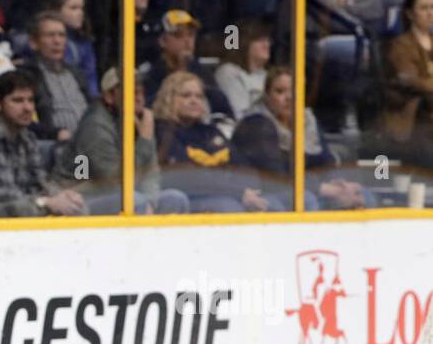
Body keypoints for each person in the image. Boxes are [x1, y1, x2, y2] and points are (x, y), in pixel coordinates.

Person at [232, 66, 368, 211]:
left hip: (308, 186)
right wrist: (329, 190)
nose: (289, 97)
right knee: (305, 200)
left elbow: (326, 162)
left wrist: (340, 185)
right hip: (265, 191)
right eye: (280, 91)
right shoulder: (256, 123)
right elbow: (277, 177)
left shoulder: (307, 121)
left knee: (364, 195)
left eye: (294, 90)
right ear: (267, 96)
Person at [0, 68, 86, 216]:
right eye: (18, 100)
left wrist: (62, 196)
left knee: (78, 207)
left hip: (22, 221)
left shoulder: (27, 138)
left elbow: (40, 182)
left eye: (31, 100)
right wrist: (46, 203)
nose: (28, 108)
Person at [60, 65, 188, 214]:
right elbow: (113, 178)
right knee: (134, 201)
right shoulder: (95, 124)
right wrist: (145, 141)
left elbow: (151, 173)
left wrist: (151, 203)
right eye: (130, 91)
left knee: (176, 199)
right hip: (78, 195)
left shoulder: (139, 118)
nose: (138, 97)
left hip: (123, 192)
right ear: (109, 96)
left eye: (140, 91)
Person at [153, 69, 275, 213]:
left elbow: (245, 169)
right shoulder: (163, 132)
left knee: (276, 204)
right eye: (186, 96)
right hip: (191, 199)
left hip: (231, 195)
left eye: (199, 96)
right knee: (229, 208)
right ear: (169, 98)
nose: (194, 101)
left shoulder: (210, 131)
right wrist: (238, 193)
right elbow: (186, 178)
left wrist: (246, 192)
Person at [19, 10, 88, 142]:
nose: (57, 41)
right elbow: (24, 121)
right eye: (50, 35)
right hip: (55, 145)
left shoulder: (77, 73)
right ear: (34, 42)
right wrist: (55, 133)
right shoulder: (26, 75)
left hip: (88, 142)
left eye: (61, 35)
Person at [382, 0, 433, 169]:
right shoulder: (400, 45)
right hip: (413, 119)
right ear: (410, 14)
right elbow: (410, 81)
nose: (430, 13)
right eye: (424, 8)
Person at [213, 17, 271, 120]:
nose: (266, 45)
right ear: (244, 43)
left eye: (267, 40)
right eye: (259, 41)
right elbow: (240, 116)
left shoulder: (268, 75)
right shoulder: (228, 72)